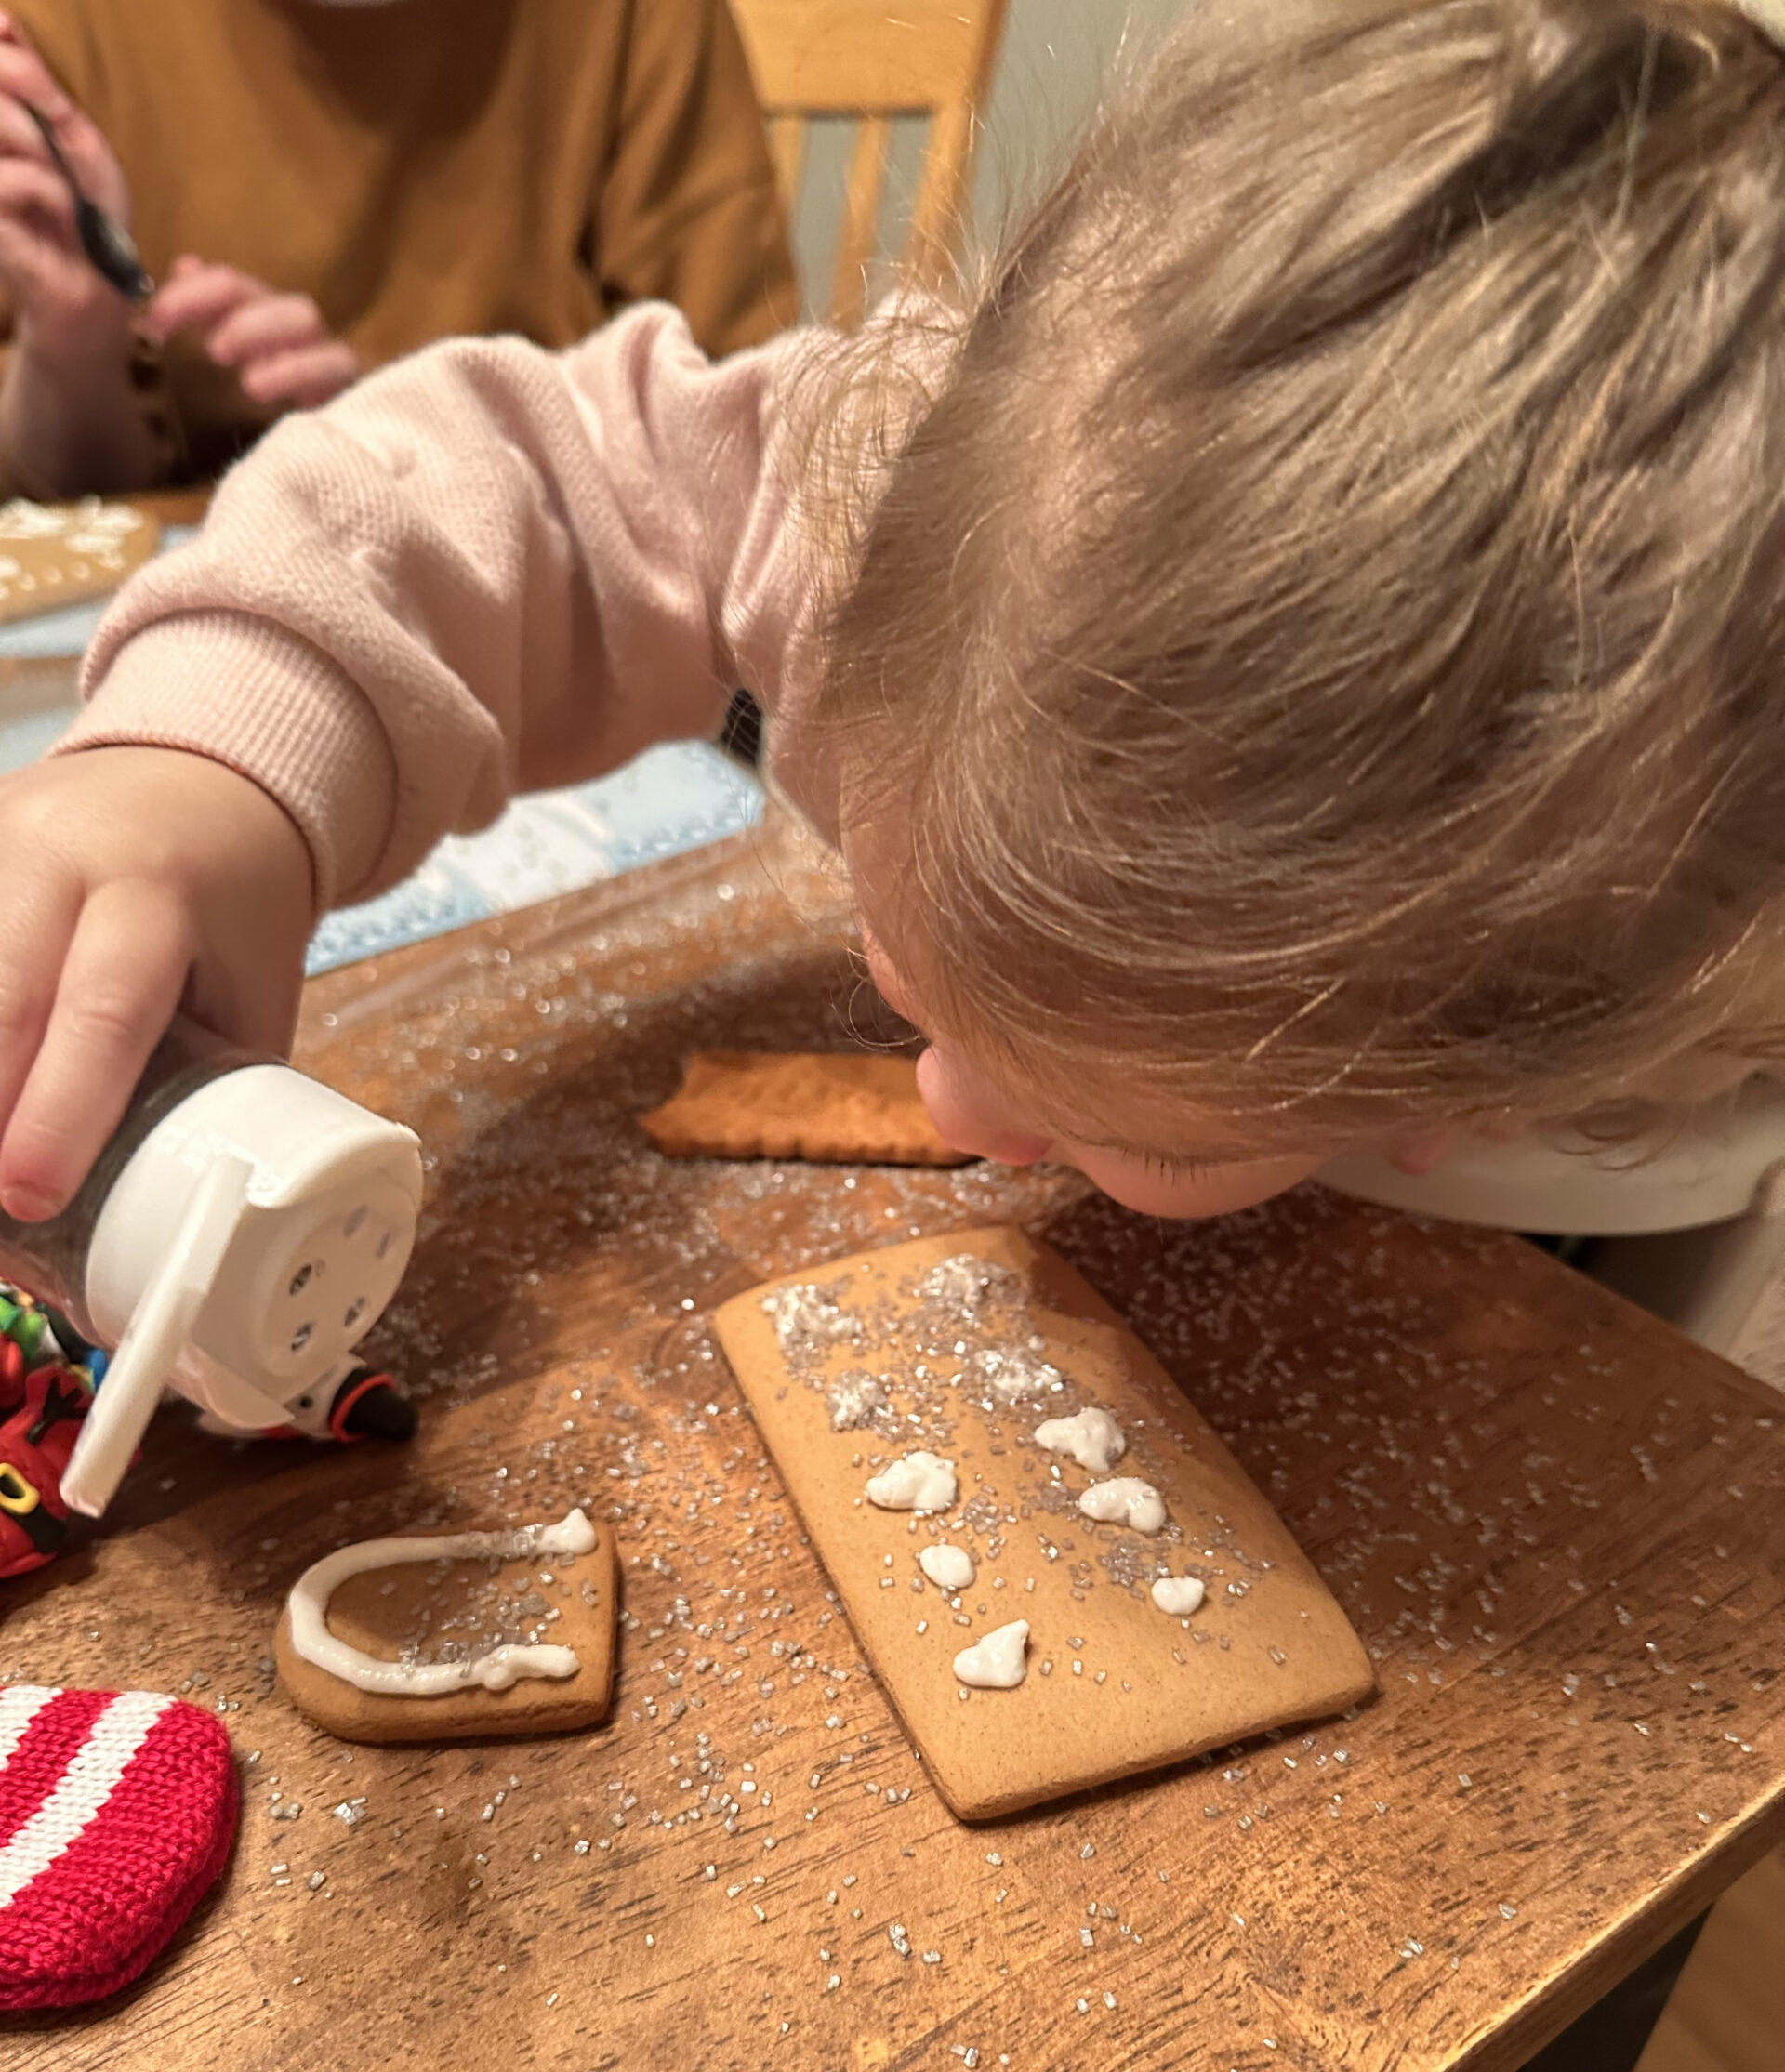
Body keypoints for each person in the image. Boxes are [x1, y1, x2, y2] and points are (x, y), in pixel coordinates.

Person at [0, 0, 1778, 1233]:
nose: (942, 1117)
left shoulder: (1675, 953)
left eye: (1092, 1114)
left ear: (1462, 1095)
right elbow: (531, 473)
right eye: (909, 969)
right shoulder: (915, 491)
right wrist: (210, 760)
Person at [0, 0, 796, 495]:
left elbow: (740, 455)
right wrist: (75, 341)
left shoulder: (634, 20)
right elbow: (52, 499)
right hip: (143, 658)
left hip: (543, 650)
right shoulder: (47, 32)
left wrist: (410, 444)